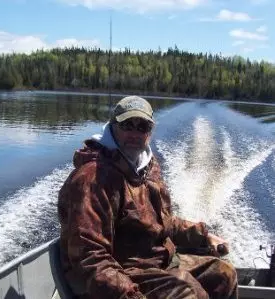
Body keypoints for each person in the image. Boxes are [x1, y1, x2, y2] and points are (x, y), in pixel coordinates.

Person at [58, 95, 238, 299]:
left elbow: (163, 222)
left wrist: (203, 235)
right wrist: (131, 295)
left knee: (224, 274)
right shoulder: (92, 179)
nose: (135, 133)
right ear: (112, 127)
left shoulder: (147, 169)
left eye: (142, 127)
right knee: (187, 294)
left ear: (150, 133)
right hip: (123, 271)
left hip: (158, 261)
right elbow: (89, 257)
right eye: (128, 125)